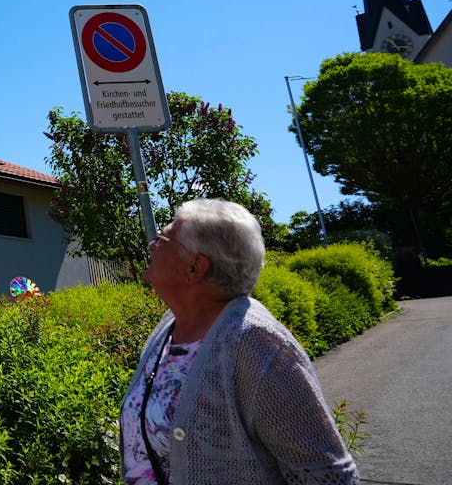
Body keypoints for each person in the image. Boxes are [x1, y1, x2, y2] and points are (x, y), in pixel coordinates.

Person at [120, 198, 358, 485]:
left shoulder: (255, 342)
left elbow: (327, 472)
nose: (151, 245)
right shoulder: (169, 326)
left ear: (195, 267)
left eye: (162, 239)